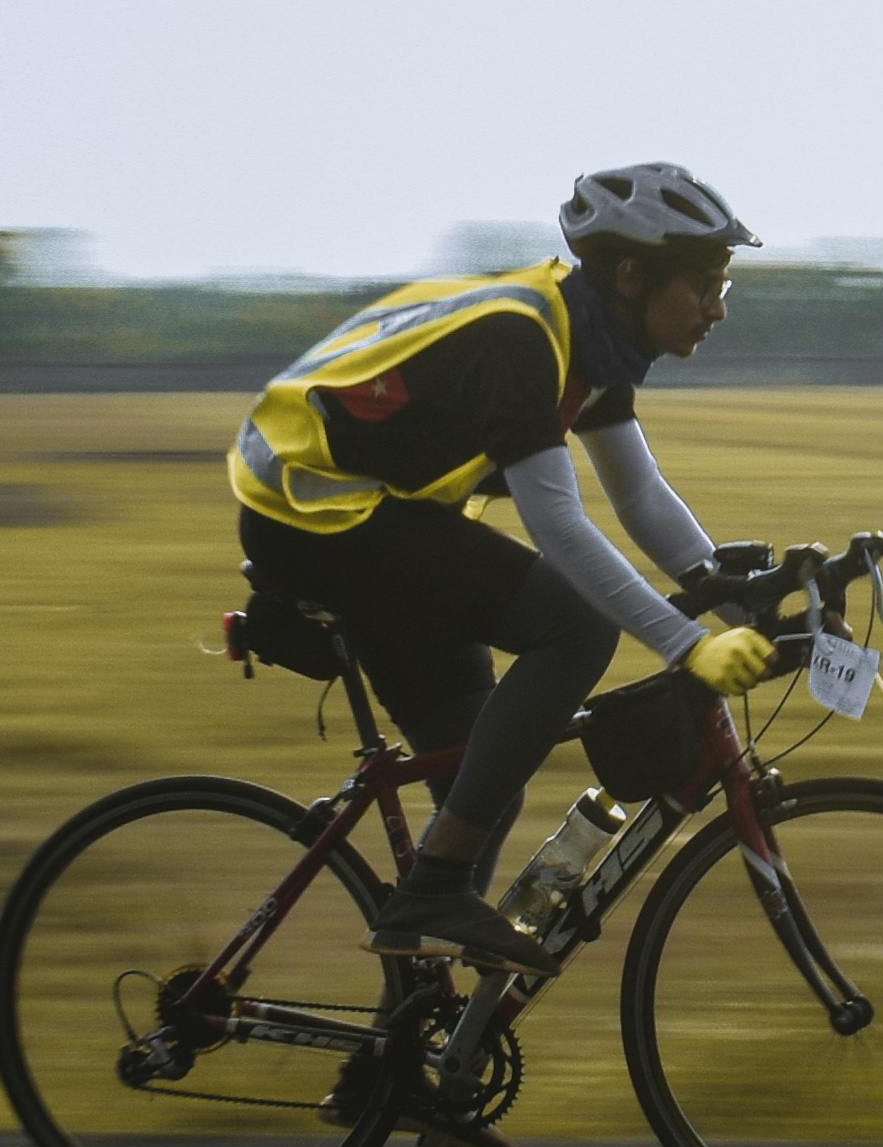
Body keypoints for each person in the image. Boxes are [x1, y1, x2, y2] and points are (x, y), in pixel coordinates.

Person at [226, 162, 780, 964]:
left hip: (372, 520)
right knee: (576, 628)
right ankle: (438, 885)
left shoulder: (586, 344)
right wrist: (687, 643)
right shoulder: (525, 339)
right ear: (631, 274)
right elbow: (556, 521)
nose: (717, 308)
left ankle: (398, 1052)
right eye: (703, 283)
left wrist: (737, 598)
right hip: (314, 516)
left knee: (484, 761)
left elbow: (640, 497)